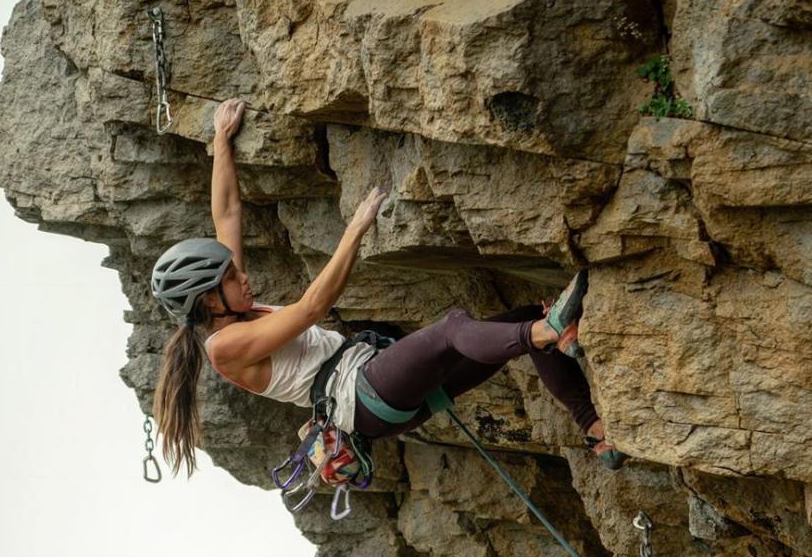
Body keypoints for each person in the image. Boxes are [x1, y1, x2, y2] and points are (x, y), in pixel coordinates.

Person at [150, 98, 626, 477]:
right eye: (232, 278)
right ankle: (549, 332)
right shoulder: (226, 347)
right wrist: (356, 229)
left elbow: (227, 213)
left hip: (375, 386)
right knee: (453, 328)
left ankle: (596, 429)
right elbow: (313, 307)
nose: (244, 275)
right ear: (211, 300)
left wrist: (221, 139)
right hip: (362, 394)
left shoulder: (230, 307)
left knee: (518, 319)